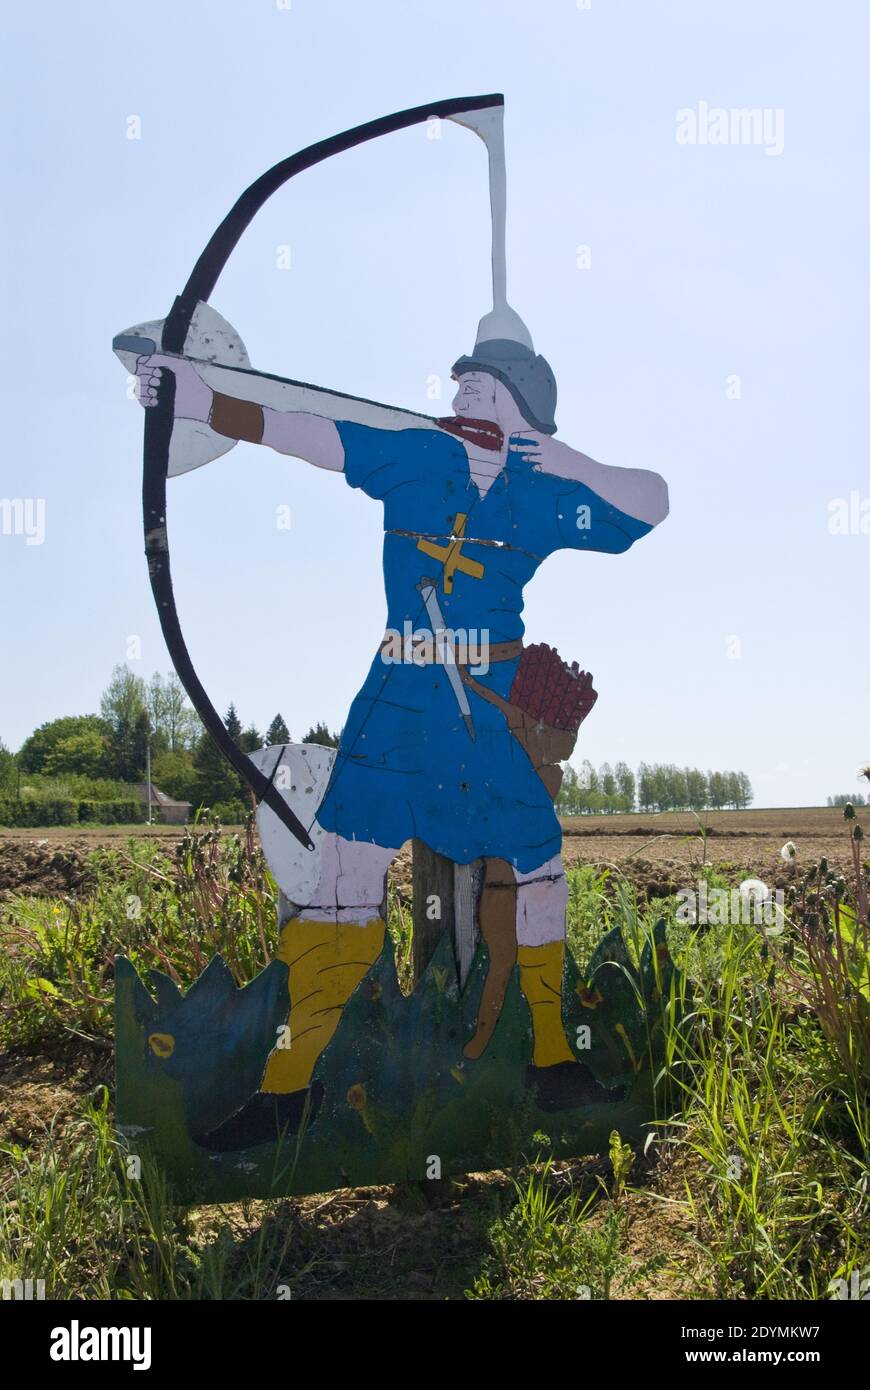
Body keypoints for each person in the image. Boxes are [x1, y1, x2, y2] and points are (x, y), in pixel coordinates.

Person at [134, 336, 668, 1149]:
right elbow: (308, 432)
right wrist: (203, 403)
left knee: (540, 865)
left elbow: (653, 502)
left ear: (523, 410)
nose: (462, 399)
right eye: (459, 386)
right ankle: (289, 1088)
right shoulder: (414, 456)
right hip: (397, 703)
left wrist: (569, 459)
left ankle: (550, 1062)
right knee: (342, 882)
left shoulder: (542, 494)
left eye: (482, 390)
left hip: (485, 715)